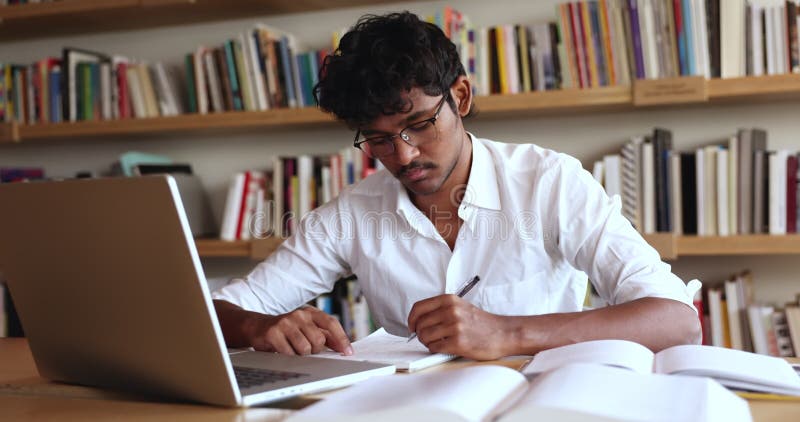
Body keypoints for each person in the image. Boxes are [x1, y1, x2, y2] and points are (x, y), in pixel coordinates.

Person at [212, 11, 700, 361]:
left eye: (420, 124)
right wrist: (259, 325)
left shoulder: (548, 181)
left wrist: (506, 333)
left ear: (460, 97)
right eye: (379, 139)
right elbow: (215, 310)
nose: (403, 156)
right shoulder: (351, 213)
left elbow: (676, 320)